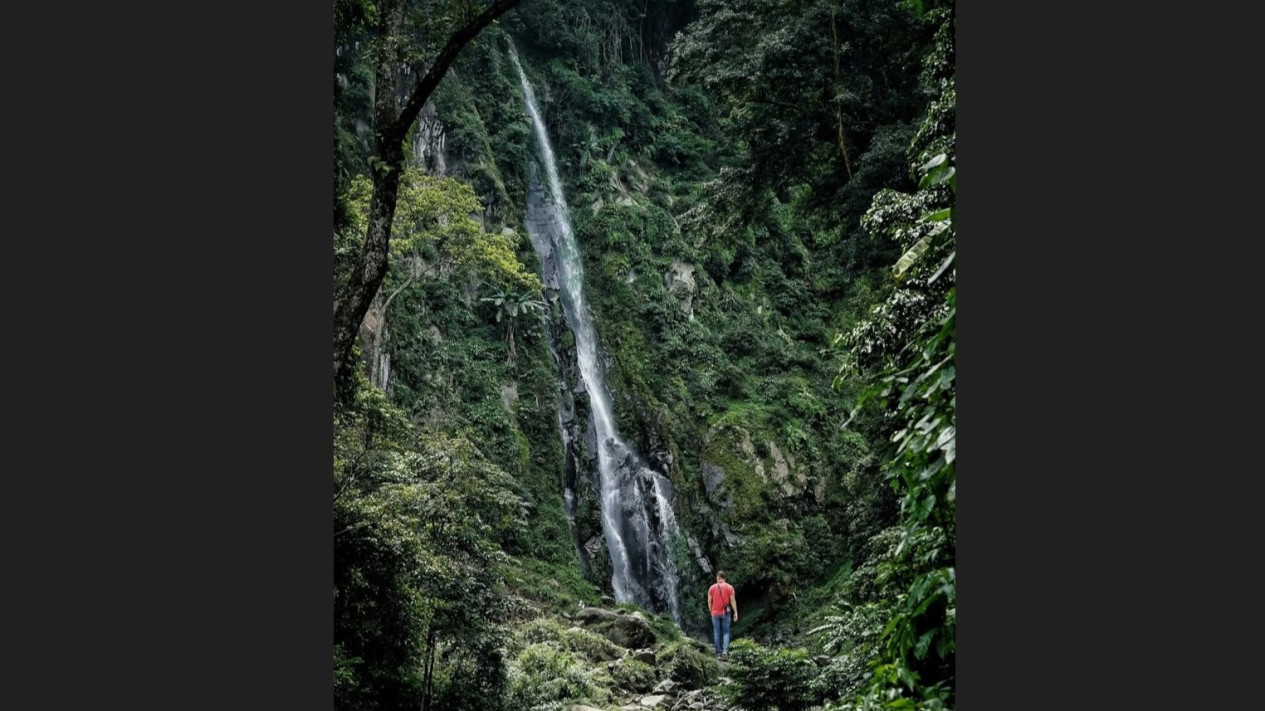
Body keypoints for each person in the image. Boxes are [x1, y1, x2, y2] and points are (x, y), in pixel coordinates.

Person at [707, 571, 738, 661]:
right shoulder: (729, 587)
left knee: (717, 632)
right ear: (725, 578)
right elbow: (732, 601)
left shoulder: (712, 588)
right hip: (726, 613)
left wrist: (710, 610)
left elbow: (709, 601)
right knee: (726, 632)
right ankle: (725, 651)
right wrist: (735, 612)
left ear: (718, 577)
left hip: (715, 613)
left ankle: (718, 654)